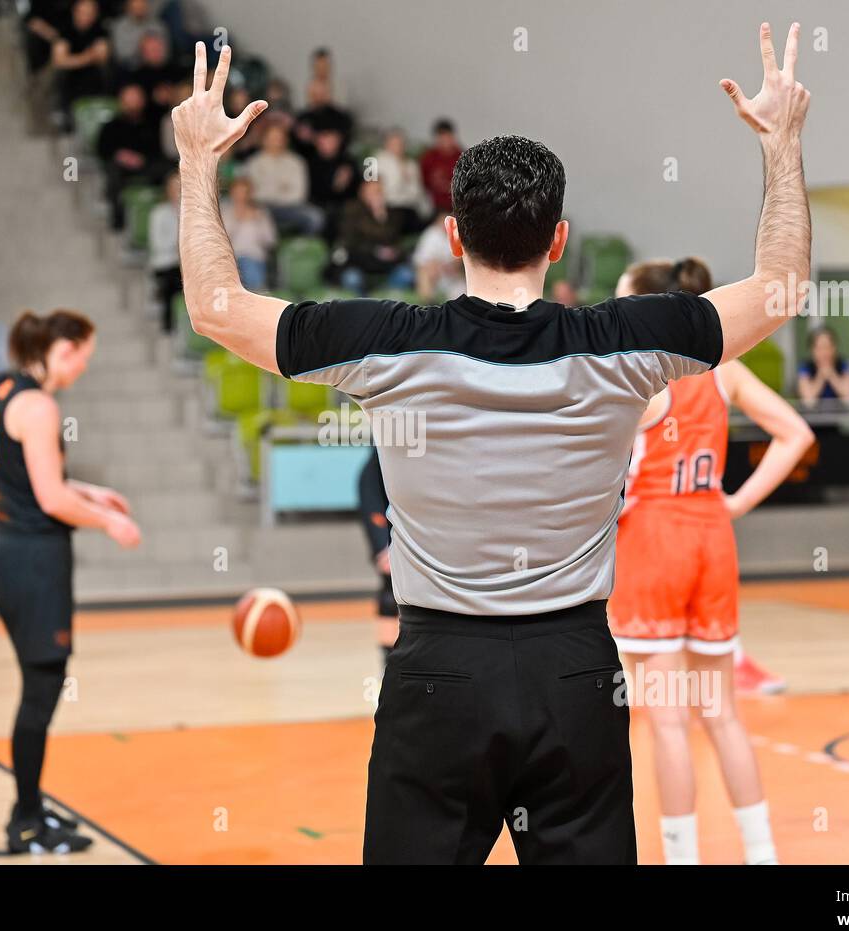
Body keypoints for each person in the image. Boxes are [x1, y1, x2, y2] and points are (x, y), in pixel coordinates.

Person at [171, 26, 811, 864]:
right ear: (559, 239)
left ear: (452, 236)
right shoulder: (626, 341)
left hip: (440, 674)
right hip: (576, 671)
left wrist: (195, 161)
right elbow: (782, 289)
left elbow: (216, 306)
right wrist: (784, 143)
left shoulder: (386, 340)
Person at [609, 256, 814, 865]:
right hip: (711, 538)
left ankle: (682, 857)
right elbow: (797, 434)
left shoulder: (645, 376)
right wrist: (738, 501)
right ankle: (762, 853)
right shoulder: (724, 367)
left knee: (668, 722)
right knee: (722, 714)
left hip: (654, 540)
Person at [0, 309, 141, 854]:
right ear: (65, 349)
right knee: (41, 692)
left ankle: (28, 810)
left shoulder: (8, 390)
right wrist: (110, 522)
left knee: (38, 689)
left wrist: (94, 493)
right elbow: (50, 499)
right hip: (34, 562)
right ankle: (26, 821)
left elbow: (32, 476)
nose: (83, 370)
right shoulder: (42, 406)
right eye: (85, 358)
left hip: (10, 554)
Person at [97, 82, 169, 230]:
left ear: (143, 100)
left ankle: (167, 206)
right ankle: (118, 216)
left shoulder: (151, 123)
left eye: (136, 98)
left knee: (169, 167)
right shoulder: (111, 126)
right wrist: (121, 156)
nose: (133, 103)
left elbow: (158, 149)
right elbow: (102, 150)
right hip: (122, 168)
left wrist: (143, 159)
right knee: (113, 171)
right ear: (121, 101)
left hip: (147, 165)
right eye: (129, 98)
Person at [240, 122, 322, 236]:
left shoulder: (297, 162)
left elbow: (299, 194)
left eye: (279, 138)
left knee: (314, 217)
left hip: (289, 209)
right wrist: (281, 189)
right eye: (271, 138)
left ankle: (299, 249)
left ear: (285, 140)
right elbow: (251, 194)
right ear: (263, 140)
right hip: (261, 208)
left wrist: (269, 192)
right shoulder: (253, 163)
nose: (275, 142)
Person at [358, 447, 398, 667]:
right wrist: (381, 547)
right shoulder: (375, 468)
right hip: (388, 529)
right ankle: (389, 661)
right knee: (389, 591)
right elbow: (371, 502)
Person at [337, 178, 411, 295]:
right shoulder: (352, 210)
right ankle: (363, 307)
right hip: (359, 262)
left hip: (384, 265)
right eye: (372, 192)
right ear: (362, 193)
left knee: (406, 274)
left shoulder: (391, 214)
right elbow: (351, 243)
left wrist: (381, 217)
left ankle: (384, 305)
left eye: (379, 191)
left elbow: (394, 240)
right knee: (352, 279)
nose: (377, 196)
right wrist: (376, 251)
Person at [220, 176, 275, 291]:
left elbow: (270, 241)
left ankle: (258, 294)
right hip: (230, 260)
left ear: (250, 194)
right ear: (231, 193)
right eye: (237, 192)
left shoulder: (261, 213)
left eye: (244, 192)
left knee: (249, 265)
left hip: (254, 258)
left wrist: (257, 221)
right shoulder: (224, 212)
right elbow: (221, 240)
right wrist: (237, 220)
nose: (241, 197)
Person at [374, 128, 430, 232]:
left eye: (400, 143)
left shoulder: (411, 165)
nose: (398, 147)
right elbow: (376, 188)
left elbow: (416, 192)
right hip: (389, 206)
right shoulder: (378, 160)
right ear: (387, 144)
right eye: (394, 143)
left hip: (410, 207)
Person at [148, 169, 181, 332]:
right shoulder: (158, 213)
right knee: (173, 280)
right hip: (167, 262)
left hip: (188, 264)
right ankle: (169, 325)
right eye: (175, 187)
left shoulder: (195, 213)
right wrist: (180, 243)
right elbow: (157, 243)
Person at [412, 209, 465, 302]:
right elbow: (422, 260)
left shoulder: (458, 234)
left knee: (460, 291)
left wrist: (453, 266)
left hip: (453, 275)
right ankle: (428, 306)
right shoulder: (431, 234)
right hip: (433, 274)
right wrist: (436, 267)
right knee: (424, 274)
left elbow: (461, 259)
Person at [797, 326, 849, 406]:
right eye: (819, 348)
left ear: (834, 348)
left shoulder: (843, 365)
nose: (823, 353)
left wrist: (831, 375)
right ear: (812, 350)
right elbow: (808, 401)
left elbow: (848, 398)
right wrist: (820, 377)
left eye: (827, 347)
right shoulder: (805, 367)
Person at [418, 118, 462, 214]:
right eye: (442, 138)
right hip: (435, 207)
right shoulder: (429, 158)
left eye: (447, 137)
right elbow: (423, 183)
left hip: (458, 205)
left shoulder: (462, 156)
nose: (445, 142)